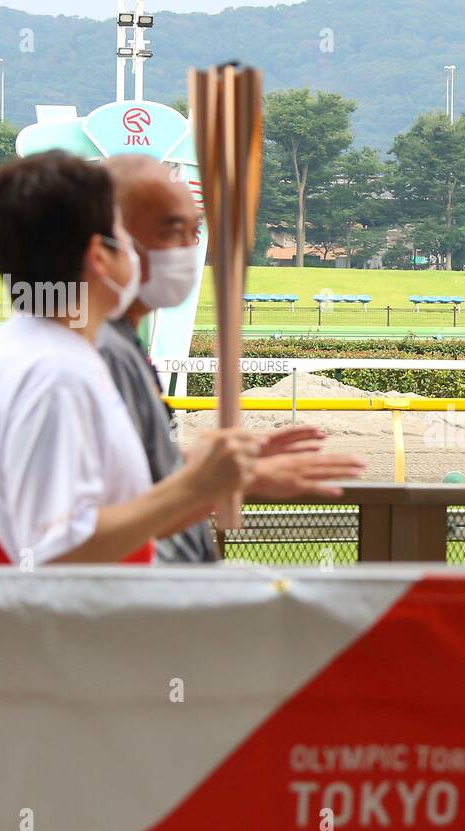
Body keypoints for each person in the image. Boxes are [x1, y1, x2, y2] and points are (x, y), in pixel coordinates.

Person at [0, 151, 358, 567]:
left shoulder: (18, 350)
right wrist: (195, 487)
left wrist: (213, 474)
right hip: (62, 630)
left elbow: (108, 510)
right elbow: (59, 553)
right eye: (124, 236)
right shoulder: (57, 375)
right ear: (100, 255)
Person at [97, 153, 357, 562]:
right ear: (108, 240)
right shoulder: (94, 355)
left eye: (195, 230)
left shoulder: (121, 343)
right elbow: (80, 529)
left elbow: (133, 473)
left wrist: (223, 468)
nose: (188, 248)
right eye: (171, 230)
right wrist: (216, 484)